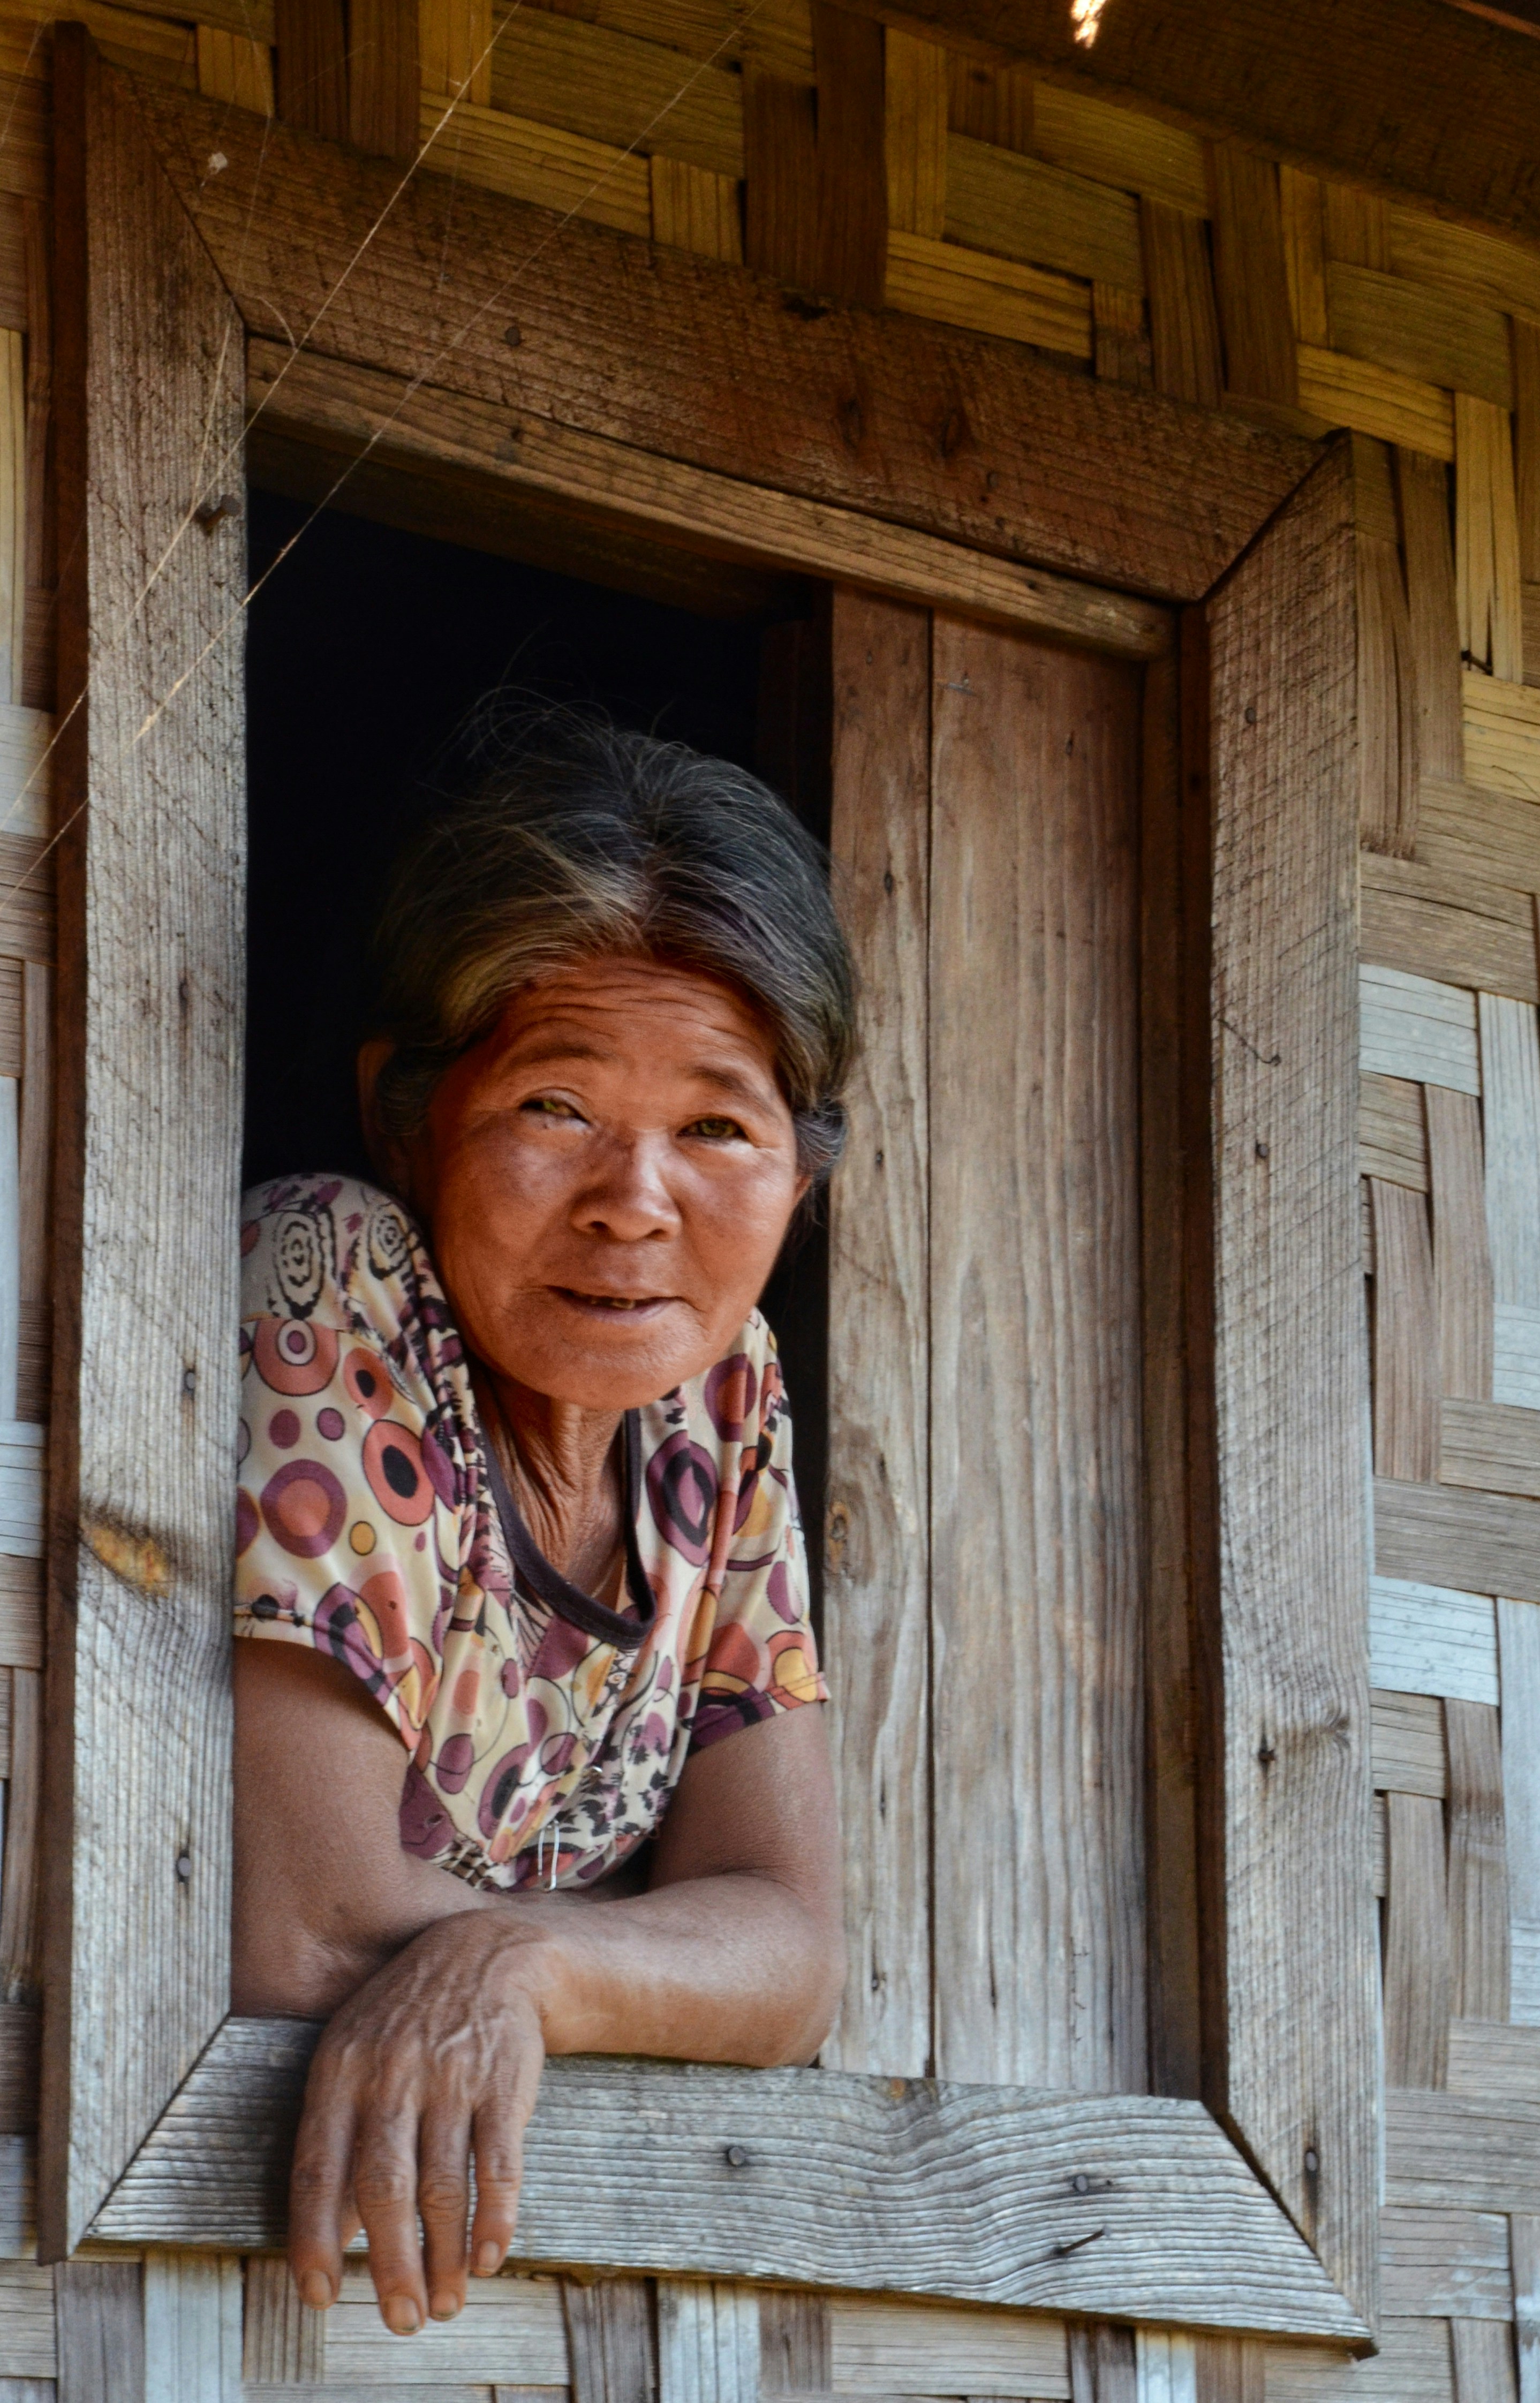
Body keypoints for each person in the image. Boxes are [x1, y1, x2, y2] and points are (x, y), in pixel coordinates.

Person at [232, 719, 852, 2335]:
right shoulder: (332, 1279)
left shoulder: (722, 1400)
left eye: (718, 1127)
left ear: (801, 1171)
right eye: (556, 1106)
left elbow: (789, 1951)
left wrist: (525, 1971)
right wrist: (651, 1958)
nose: (634, 1203)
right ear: (406, 1115)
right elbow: (310, 1928)